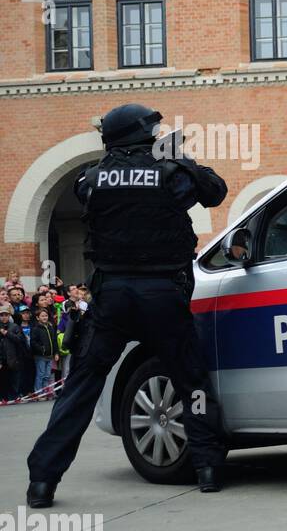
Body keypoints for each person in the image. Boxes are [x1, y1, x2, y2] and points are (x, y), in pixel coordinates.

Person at [25, 103, 229, 508]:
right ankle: (207, 468)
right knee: (191, 382)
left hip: (113, 297)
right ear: (141, 135)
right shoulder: (170, 173)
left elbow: (98, 194)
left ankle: (43, 481)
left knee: (81, 388)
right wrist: (180, 158)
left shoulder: (91, 179)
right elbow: (215, 191)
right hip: (163, 294)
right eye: (152, 133)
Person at [30, 308, 58, 397]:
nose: (45, 317)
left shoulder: (50, 327)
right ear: (38, 318)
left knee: (47, 375)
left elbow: (54, 341)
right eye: (42, 316)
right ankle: (38, 393)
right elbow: (33, 342)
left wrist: (56, 352)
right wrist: (42, 349)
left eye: (46, 316)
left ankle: (45, 392)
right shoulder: (36, 328)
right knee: (41, 374)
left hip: (50, 356)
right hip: (40, 356)